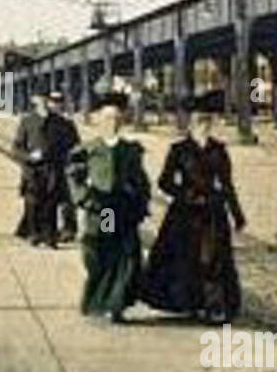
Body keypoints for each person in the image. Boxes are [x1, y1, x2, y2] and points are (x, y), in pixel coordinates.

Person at [139, 97, 246, 322]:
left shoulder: (219, 150)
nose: (203, 124)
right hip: (185, 213)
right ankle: (189, 303)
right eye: (198, 120)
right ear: (190, 123)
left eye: (207, 120)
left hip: (212, 211)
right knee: (185, 259)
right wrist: (184, 194)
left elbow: (227, 184)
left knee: (212, 259)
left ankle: (213, 306)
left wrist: (237, 214)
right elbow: (164, 182)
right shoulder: (179, 150)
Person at [67, 93, 151, 323]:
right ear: (98, 121)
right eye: (106, 118)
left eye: (115, 118)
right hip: (104, 209)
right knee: (103, 250)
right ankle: (100, 300)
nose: (111, 123)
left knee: (127, 255)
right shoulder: (89, 149)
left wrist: (142, 203)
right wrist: (84, 198)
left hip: (124, 208)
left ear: (121, 121)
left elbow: (141, 180)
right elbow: (74, 177)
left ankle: (117, 304)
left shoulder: (131, 149)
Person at [13, 93, 59, 247]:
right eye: (40, 98)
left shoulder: (59, 122)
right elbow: (16, 147)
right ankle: (34, 234)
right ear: (34, 100)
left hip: (52, 168)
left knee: (51, 203)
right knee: (32, 203)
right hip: (32, 170)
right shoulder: (27, 122)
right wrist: (29, 156)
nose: (44, 102)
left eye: (46, 98)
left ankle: (50, 236)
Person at [45, 91, 80, 242]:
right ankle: (46, 230)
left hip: (65, 165)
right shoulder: (44, 121)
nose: (57, 105)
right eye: (54, 102)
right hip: (49, 165)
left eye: (59, 102)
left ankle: (69, 229)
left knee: (67, 200)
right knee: (48, 198)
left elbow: (76, 144)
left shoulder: (68, 123)